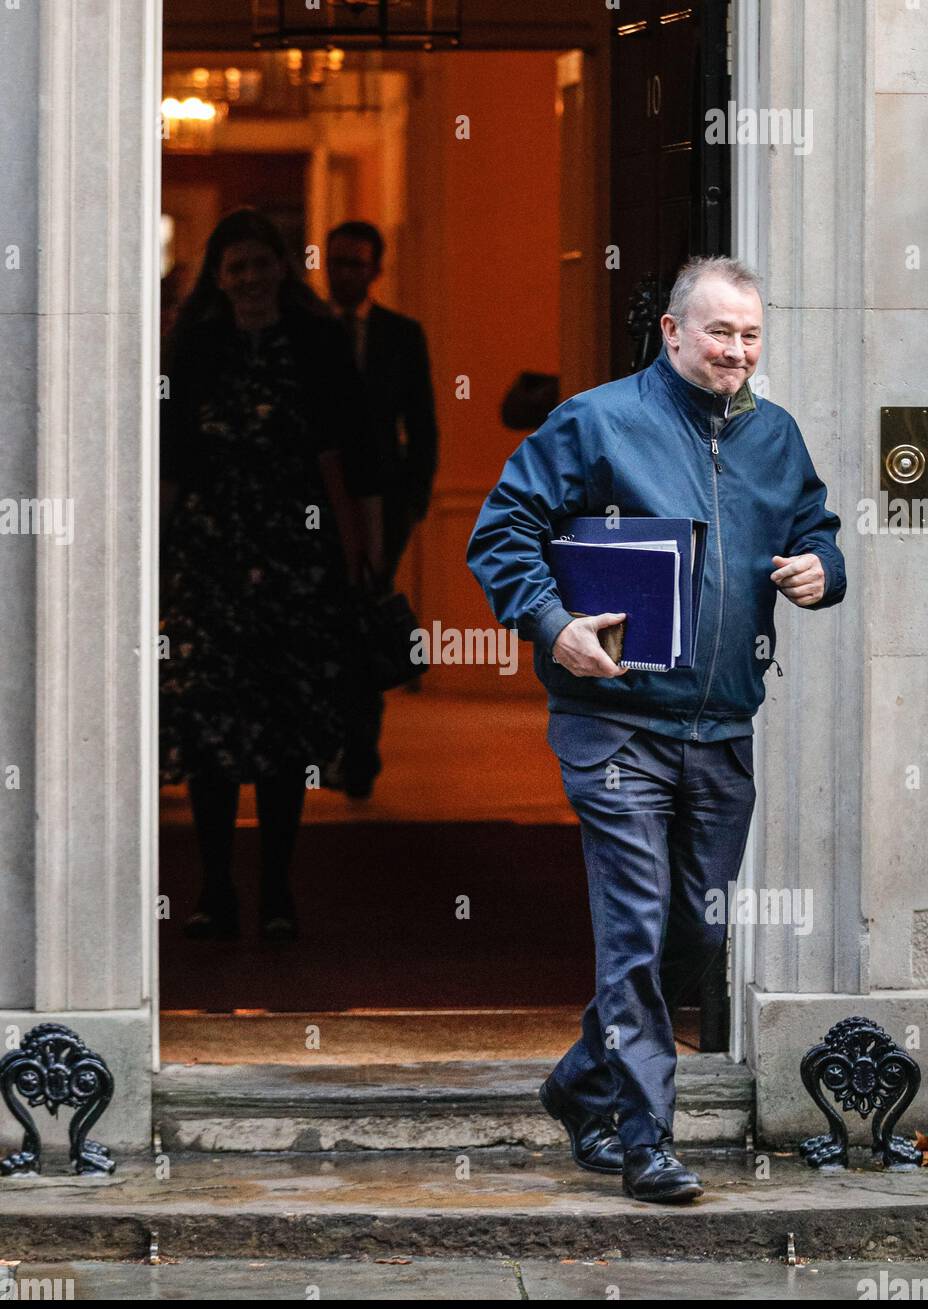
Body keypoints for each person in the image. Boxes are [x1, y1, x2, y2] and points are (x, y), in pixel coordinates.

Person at [465, 256, 847, 1204]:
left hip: (721, 729)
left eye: (752, 335)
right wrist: (554, 625)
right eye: (720, 333)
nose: (737, 351)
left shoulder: (776, 434)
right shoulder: (598, 420)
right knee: (634, 931)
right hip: (615, 727)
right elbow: (501, 531)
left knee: (696, 935)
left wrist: (820, 569)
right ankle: (646, 1140)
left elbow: (817, 526)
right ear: (673, 332)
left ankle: (577, 1084)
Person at [160, 208, 384, 942]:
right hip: (209, 558)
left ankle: (278, 887)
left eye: (260, 264)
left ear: (282, 268)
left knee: (285, 726)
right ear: (218, 281)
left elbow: (354, 456)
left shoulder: (318, 344)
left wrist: (364, 553)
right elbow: (165, 464)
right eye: (235, 268)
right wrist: (156, 560)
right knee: (212, 724)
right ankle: (215, 885)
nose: (250, 279)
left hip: (297, 555)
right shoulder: (190, 349)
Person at [325, 221, 439, 796]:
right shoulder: (310, 331)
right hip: (314, 503)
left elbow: (422, 424)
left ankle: (359, 748)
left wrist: (414, 499)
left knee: (364, 619)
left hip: (383, 505)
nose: (343, 274)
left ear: (376, 270)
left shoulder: (400, 335)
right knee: (326, 623)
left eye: (354, 264)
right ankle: (335, 744)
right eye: (336, 262)